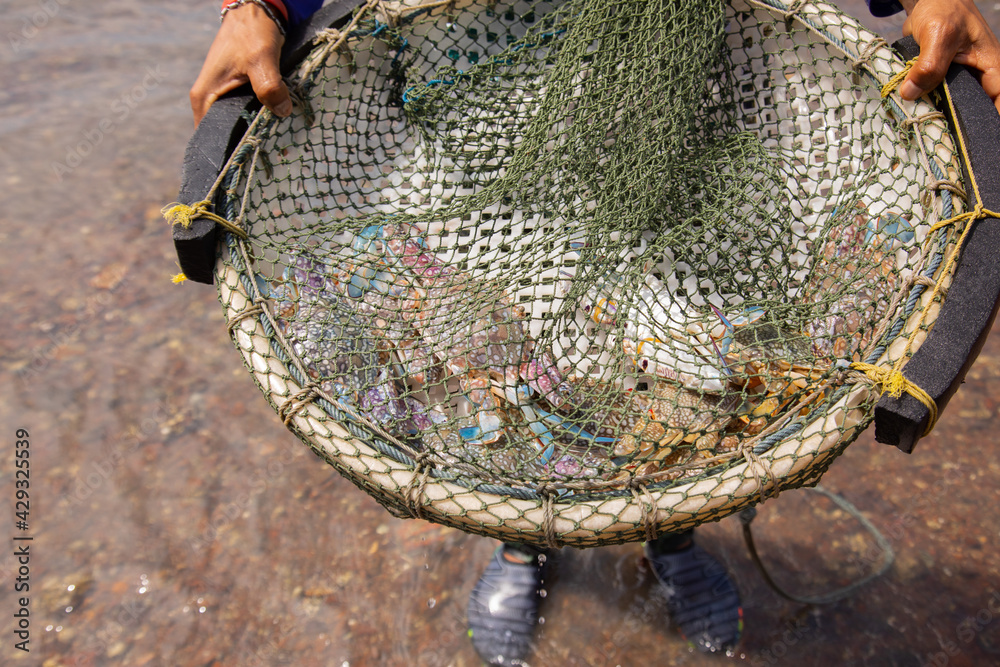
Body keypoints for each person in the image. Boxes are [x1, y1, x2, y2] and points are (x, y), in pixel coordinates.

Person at [189, 1, 1000, 665]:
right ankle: (522, 543)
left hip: (684, 67)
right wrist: (262, 6)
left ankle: (670, 533)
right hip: (483, 64)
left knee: (689, 387)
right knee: (502, 364)